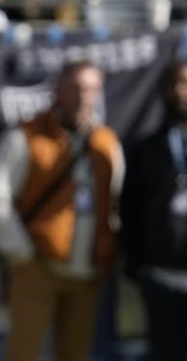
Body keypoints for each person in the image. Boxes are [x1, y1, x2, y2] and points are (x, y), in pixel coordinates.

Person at [0, 60, 124, 361]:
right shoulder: (27, 136)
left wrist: (107, 250)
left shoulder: (107, 143)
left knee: (76, 353)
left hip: (87, 272)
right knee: (24, 352)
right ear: (58, 90)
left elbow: (116, 202)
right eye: (76, 87)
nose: (84, 96)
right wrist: (21, 252)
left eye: (92, 89)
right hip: (38, 266)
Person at [121, 59, 187, 361]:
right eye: (173, 83)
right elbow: (130, 210)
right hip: (162, 280)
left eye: (186, 83)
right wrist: (139, 267)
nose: (179, 91)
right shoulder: (146, 148)